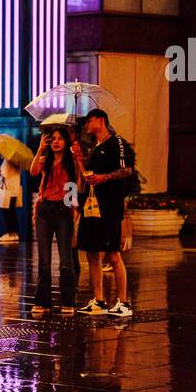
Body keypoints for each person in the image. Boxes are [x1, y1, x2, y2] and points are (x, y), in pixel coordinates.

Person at [76, 109, 134, 317]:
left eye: (88, 121)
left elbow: (127, 170)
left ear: (100, 120)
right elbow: (87, 177)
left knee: (113, 254)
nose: (86, 125)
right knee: (92, 252)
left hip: (109, 206)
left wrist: (104, 178)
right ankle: (99, 300)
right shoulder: (94, 147)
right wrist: (79, 159)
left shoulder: (115, 142)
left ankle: (124, 302)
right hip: (92, 206)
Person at [29, 125, 84, 317]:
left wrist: (73, 210)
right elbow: (33, 172)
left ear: (66, 141)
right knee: (44, 260)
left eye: (60, 138)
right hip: (44, 211)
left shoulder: (71, 162)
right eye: (53, 138)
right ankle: (42, 301)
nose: (56, 141)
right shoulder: (45, 160)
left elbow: (77, 185)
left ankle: (68, 301)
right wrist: (40, 149)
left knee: (65, 260)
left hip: (63, 211)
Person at [0, 157, 22, 244]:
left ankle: (10, 234)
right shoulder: (17, 161)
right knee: (11, 212)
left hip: (8, 191)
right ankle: (14, 234)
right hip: (14, 190)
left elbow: (5, 174)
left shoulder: (8, 160)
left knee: (7, 212)